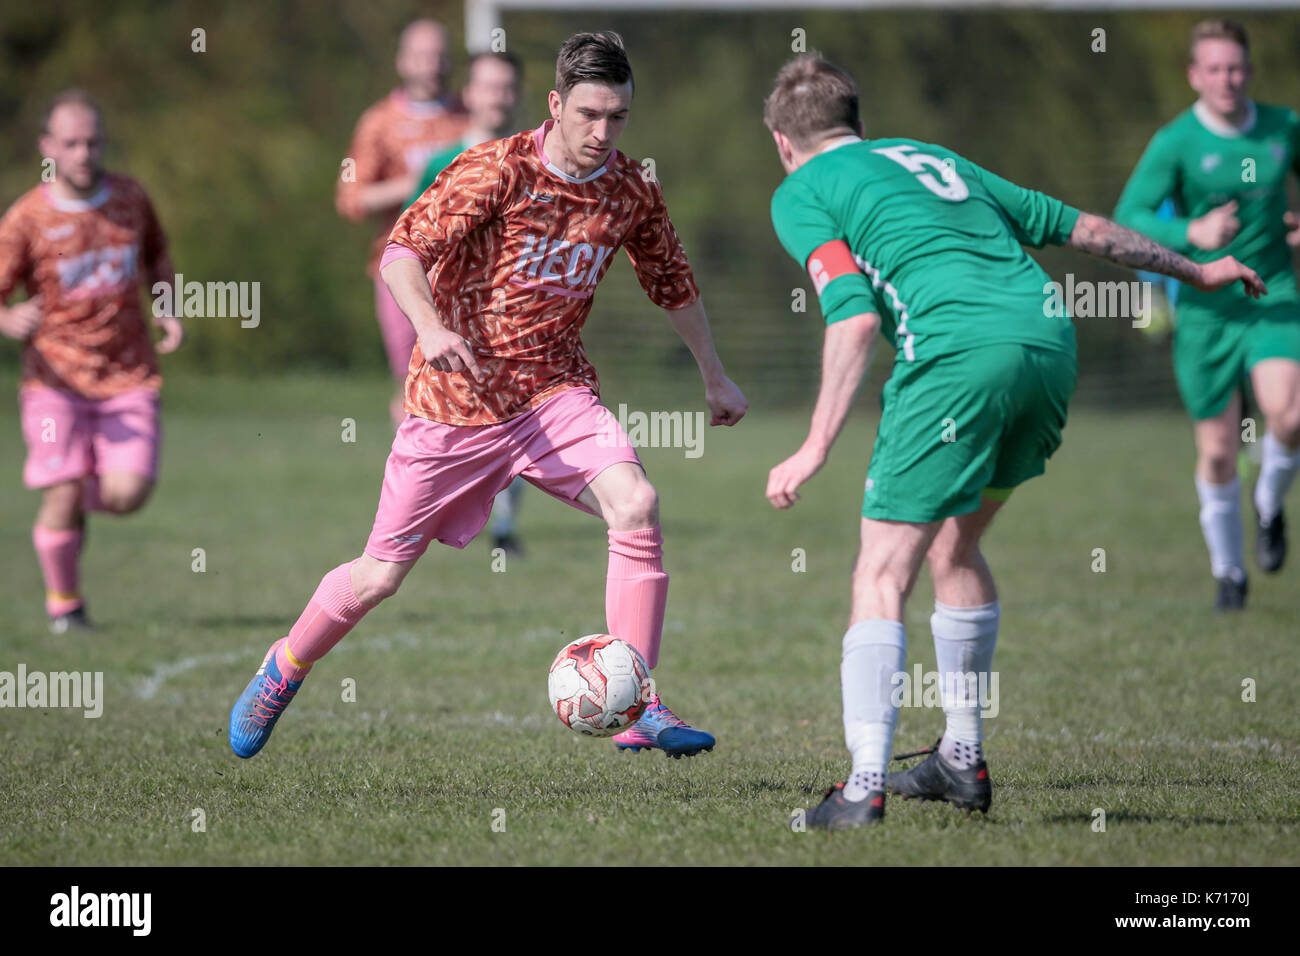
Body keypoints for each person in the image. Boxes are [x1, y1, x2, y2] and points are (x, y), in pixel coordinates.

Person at [761, 54, 1265, 829]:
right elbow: (1083, 228)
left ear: (782, 142)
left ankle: (861, 789)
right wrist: (1193, 273)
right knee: (953, 550)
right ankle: (960, 760)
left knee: (880, 573)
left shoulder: (801, 191)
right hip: (1047, 350)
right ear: (860, 125)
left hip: (959, 363)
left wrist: (813, 446)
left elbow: (855, 316)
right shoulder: (932, 158)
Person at [230, 32, 748, 761]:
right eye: (591, 115)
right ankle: (285, 666)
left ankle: (636, 705)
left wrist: (714, 374)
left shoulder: (631, 188)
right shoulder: (494, 169)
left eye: (619, 117)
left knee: (636, 502)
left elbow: (673, 283)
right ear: (556, 104)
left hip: (553, 392)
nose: (604, 133)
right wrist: (433, 328)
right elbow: (402, 254)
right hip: (454, 403)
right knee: (379, 575)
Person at [1115, 18, 1300, 610]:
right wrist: (1190, 230)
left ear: (1249, 70)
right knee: (1219, 451)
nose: (1227, 78)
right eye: (1215, 68)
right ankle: (1229, 572)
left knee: (1289, 416)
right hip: (1203, 306)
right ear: (1195, 75)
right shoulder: (1175, 142)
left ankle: (1269, 505)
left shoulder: (1283, 128)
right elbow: (1130, 215)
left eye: (1236, 67)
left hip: (1272, 295)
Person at [0, 89, 183, 633]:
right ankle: (66, 606)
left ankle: (75, 502)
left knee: (128, 495)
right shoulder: (28, 217)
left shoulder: (129, 198)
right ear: (48, 147)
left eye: (93, 141)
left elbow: (157, 255)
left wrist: (169, 310)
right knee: (64, 486)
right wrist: (8, 321)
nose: (84, 153)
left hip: (128, 375)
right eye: (71, 143)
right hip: (53, 380)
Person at [405, 50, 531, 556]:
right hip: (449, 319)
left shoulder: (535, 161)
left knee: (520, 422)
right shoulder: (442, 163)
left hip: (517, 324)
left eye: (507, 87)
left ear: (518, 94)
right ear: (470, 93)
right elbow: (410, 243)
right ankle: (420, 521)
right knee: (443, 423)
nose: (498, 96)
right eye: (488, 86)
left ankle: (502, 526)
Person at [336, 18, 470, 426]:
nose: (433, 66)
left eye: (440, 56)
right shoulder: (378, 122)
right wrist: (416, 183)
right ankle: (416, 478)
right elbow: (351, 197)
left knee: (471, 377)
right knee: (414, 382)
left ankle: (494, 483)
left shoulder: (469, 117)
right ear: (402, 62)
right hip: (401, 268)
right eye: (422, 56)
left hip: (466, 270)